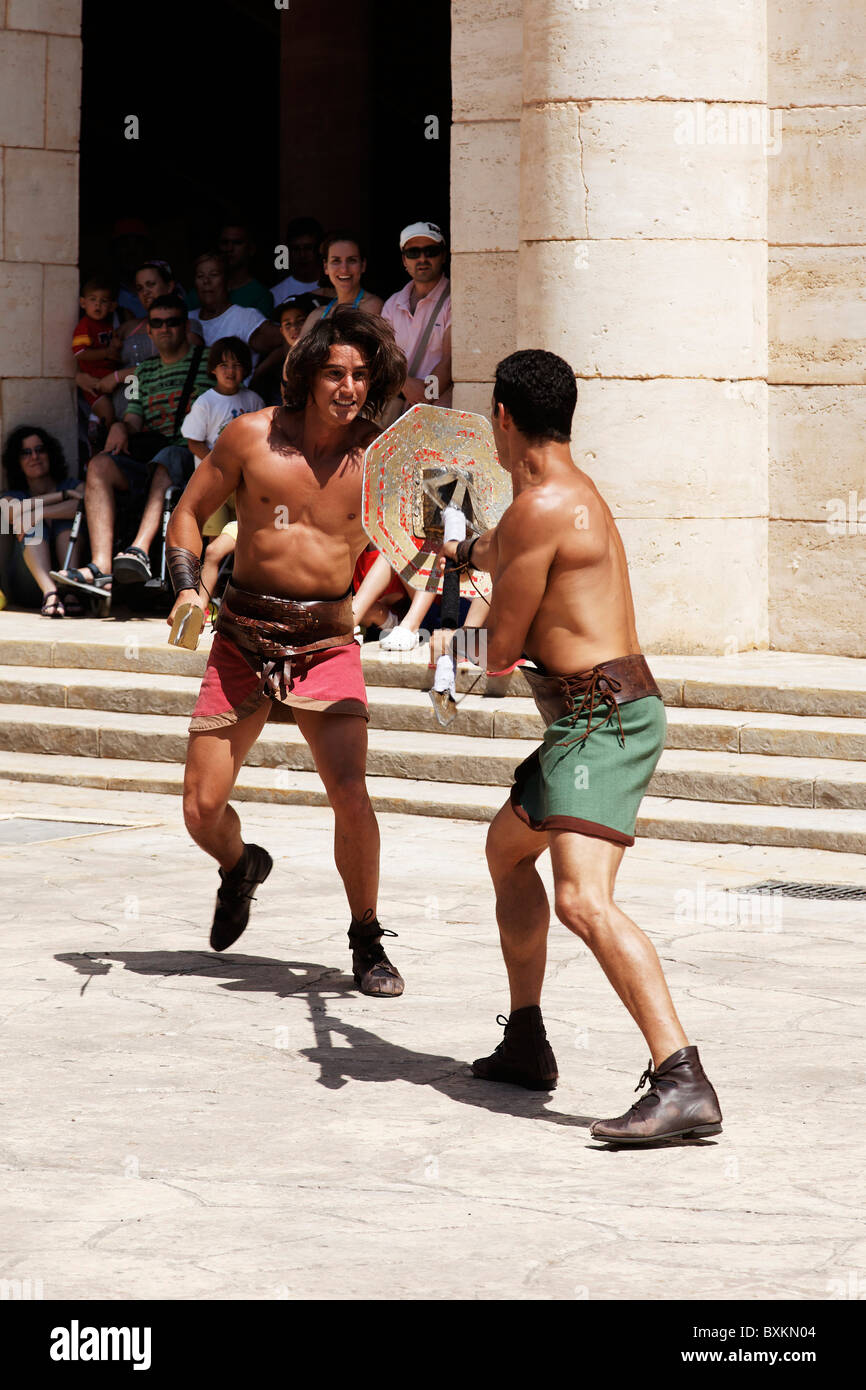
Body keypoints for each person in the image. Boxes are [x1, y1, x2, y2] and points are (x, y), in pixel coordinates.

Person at [439, 348, 723, 1146]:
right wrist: (459, 551)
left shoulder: (543, 505)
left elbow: (497, 650)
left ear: (503, 418)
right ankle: (526, 1040)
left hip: (605, 722)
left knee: (582, 900)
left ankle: (682, 1079)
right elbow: (500, 551)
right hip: (586, 719)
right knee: (506, 850)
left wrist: (433, 639)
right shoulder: (555, 495)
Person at [165, 307, 407, 996]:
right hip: (241, 632)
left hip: (326, 640)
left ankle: (367, 939)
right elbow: (188, 513)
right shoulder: (250, 437)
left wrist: (456, 536)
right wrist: (187, 587)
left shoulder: (381, 458)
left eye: (362, 374)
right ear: (307, 373)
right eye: (335, 371)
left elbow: (422, 539)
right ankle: (240, 866)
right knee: (200, 809)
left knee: (351, 795)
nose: (349, 386)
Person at [52, 295, 211, 596]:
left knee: (168, 457)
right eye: (157, 323)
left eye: (173, 322)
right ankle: (101, 567)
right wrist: (119, 426)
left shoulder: (208, 360)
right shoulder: (144, 371)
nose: (165, 329)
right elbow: (134, 418)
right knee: (100, 464)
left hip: (192, 457)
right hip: (151, 456)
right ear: (148, 330)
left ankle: (138, 549)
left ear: (185, 326)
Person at [0, 426, 84, 617]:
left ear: (50, 453)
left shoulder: (73, 485)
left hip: (75, 586)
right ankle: (51, 593)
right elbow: (9, 513)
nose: (34, 457)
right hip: (28, 588)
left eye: (40, 450)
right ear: (17, 461)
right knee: (32, 523)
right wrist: (60, 496)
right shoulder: (13, 495)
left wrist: (41, 513)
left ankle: (69, 590)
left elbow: (87, 507)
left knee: (64, 520)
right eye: (25, 453)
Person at [381, 221, 452, 414]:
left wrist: (423, 399)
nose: (422, 258)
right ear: (404, 260)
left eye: (431, 251)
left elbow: (449, 361)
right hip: (402, 410)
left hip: (438, 411)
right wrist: (405, 385)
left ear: (443, 255)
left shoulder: (454, 300)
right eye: (413, 253)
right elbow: (384, 359)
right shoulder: (392, 304)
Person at [187, 252, 281, 365]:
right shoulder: (186, 318)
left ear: (227, 282)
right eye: (200, 276)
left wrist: (258, 375)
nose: (206, 281)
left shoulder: (244, 317)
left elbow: (286, 340)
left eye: (214, 274)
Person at [299, 233, 383, 337]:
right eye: (336, 261)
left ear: (363, 265)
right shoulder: (317, 314)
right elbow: (296, 353)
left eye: (352, 260)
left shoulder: (373, 306)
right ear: (326, 267)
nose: (344, 269)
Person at [187, 222, 274, 317]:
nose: (229, 248)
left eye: (237, 243)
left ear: (251, 249)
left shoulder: (260, 295)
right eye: (224, 243)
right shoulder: (199, 293)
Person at [72, 277, 120, 431]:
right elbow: (80, 353)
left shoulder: (108, 325)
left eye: (104, 301)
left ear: (112, 306)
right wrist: (106, 353)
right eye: (93, 299)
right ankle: (100, 442)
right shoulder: (85, 325)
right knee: (107, 413)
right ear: (83, 303)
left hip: (109, 379)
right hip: (93, 382)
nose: (98, 304)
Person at [271, 216, 334, 306]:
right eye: (296, 249)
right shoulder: (277, 294)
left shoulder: (337, 286)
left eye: (308, 248)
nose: (302, 255)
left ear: (320, 249)